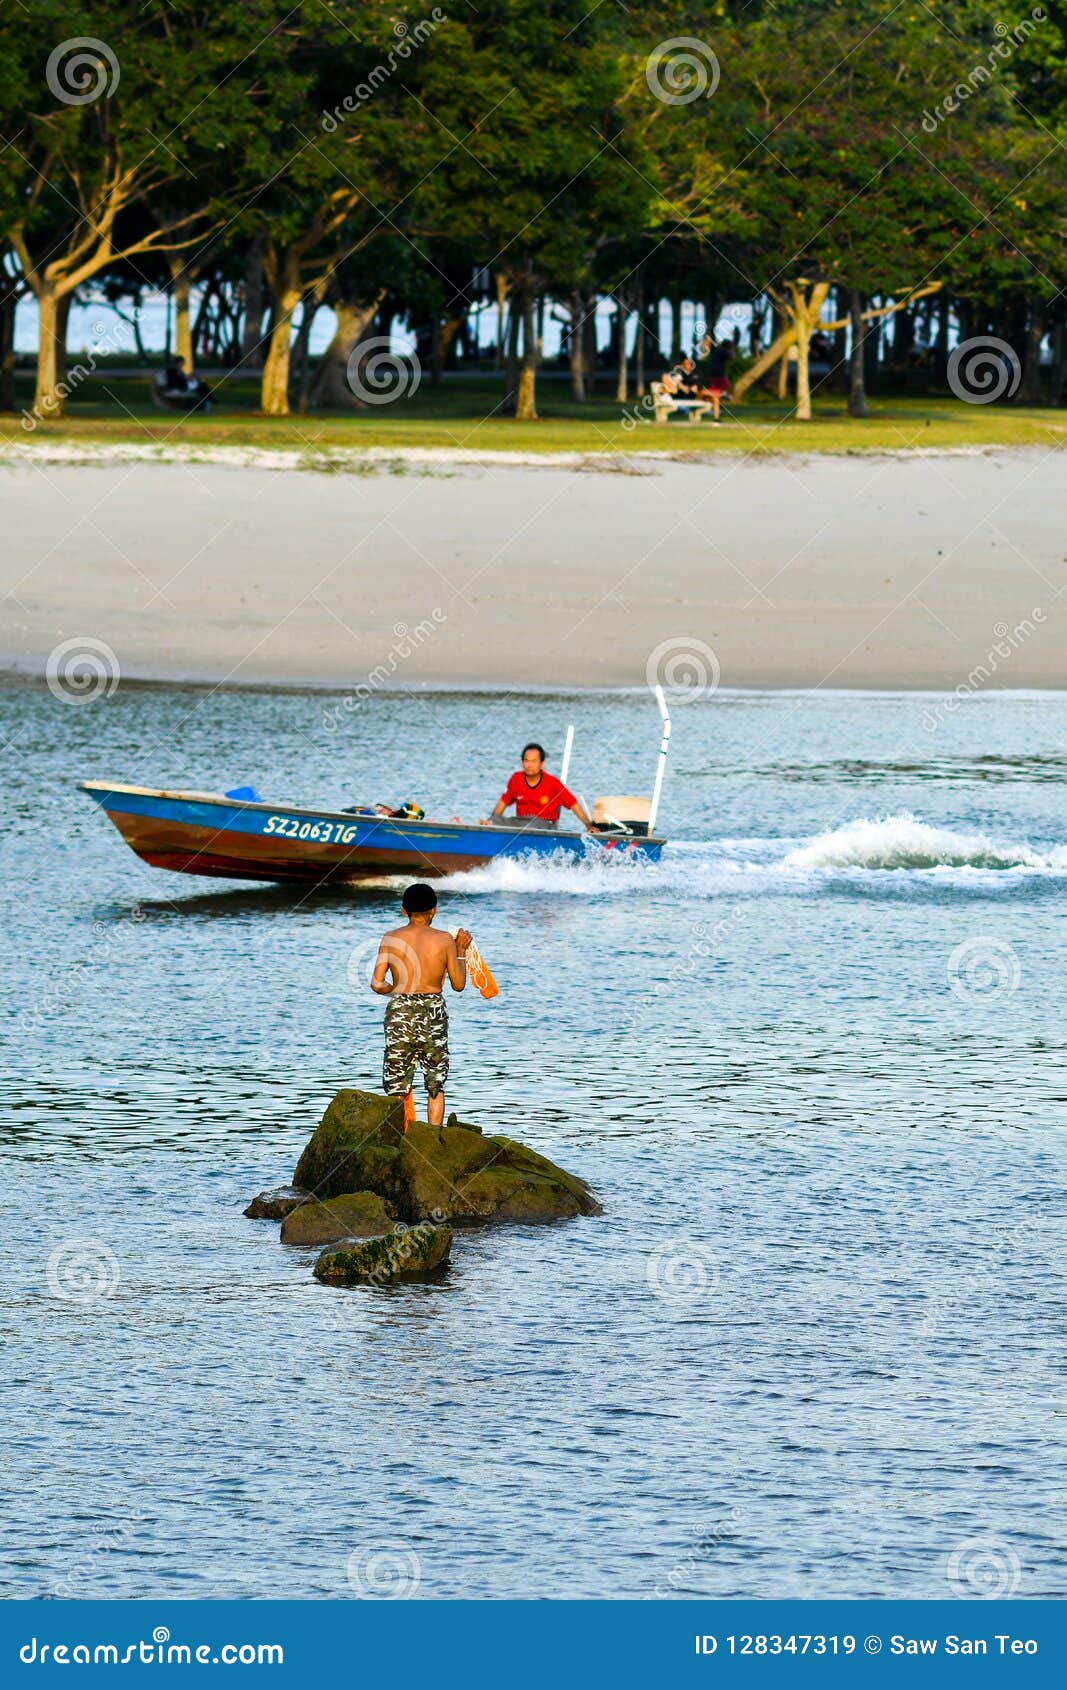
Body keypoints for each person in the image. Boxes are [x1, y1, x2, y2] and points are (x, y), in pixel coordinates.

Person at [371, 883, 471, 1130]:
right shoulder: (445, 940)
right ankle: (432, 1140)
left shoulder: (391, 938)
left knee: (397, 1082)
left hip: (400, 1010)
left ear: (404, 911)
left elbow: (376, 983)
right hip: (433, 1010)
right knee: (435, 1082)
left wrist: (396, 989)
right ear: (433, 911)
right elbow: (458, 985)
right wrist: (460, 951)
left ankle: (401, 1138)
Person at [488, 742, 593, 830]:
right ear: (522, 762)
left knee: (530, 826)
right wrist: (491, 823)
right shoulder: (516, 779)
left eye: (534, 761)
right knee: (494, 820)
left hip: (544, 824)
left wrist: (588, 825)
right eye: (526, 761)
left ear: (542, 764)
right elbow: (502, 803)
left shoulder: (553, 783)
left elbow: (573, 804)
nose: (530, 765)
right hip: (521, 822)